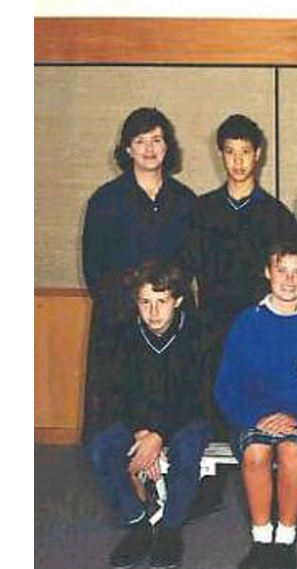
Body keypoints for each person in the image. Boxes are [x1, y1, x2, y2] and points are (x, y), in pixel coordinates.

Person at [181, 113, 297, 522]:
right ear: (221, 156)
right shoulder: (202, 210)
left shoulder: (276, 214)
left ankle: (272, 472)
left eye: (245, 152)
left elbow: (289, 276)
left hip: (261, 322)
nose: (238, 161)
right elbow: (186, 269)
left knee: (263, 395)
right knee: (214, 394)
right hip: (213, 319)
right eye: (230, 152)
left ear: (258, 155)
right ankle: (210, 480)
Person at [215, 243, 297, 569]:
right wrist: (256, 418)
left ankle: (285, 539)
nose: (289, 280)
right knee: (257, 451)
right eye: (281, 270)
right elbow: (227, 387)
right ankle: (261, 540)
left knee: (290, 451)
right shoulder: (246, 323)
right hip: (254, 415)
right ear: (267, 273)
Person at [81, 107, 197, 440]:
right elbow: (95, 269)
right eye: (140, 140)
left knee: (174, 417)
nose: (149, 148)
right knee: (120, 423)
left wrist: (164, 307)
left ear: (168, 146)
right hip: (120, 324)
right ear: (127, 149)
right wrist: (134, 307)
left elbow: (189, 264)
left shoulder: (185, 201)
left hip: (171, 323)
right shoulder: (105, 201)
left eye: (157, 139)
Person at [86, 262, 210, 569]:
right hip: (139, 421)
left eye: (162, 301)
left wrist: (159, 436)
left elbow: (196, 397)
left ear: (178, 301)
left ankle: (170, 530)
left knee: (187, 450)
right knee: (101, 448)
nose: (154, 312)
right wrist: (140, 432)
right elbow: (115, 392)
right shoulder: (123, 334)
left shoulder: (198, 333)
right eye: (145, 302)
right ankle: (137, 524)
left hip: (184, 418)